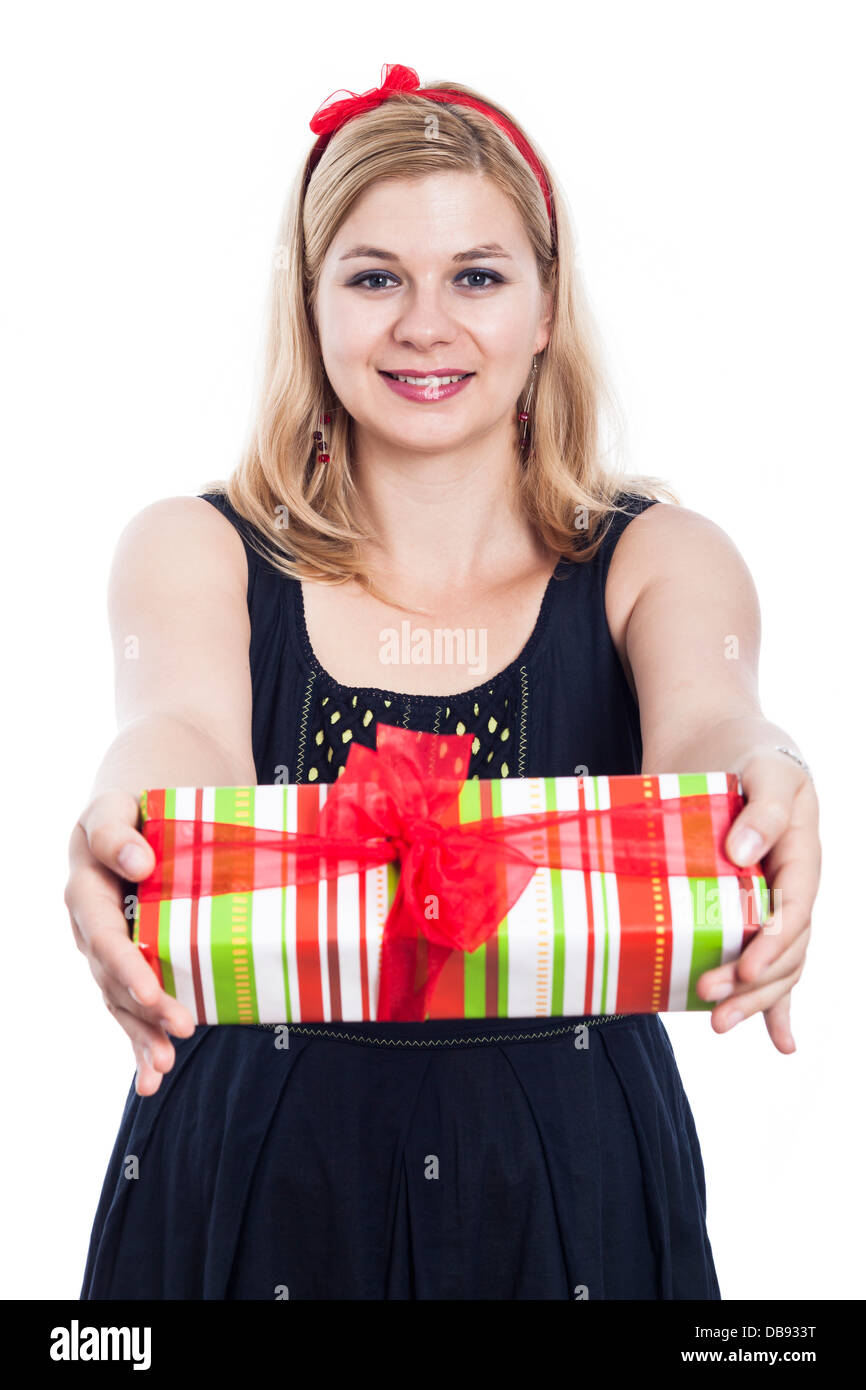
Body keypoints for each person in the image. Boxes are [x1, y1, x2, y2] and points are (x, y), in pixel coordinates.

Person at [68, 64, 820, 1300]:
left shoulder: (655, 557)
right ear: (310, 308)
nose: (426, 324)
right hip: (255, 1170)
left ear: (543, 306)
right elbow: (178, 736)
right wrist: (121, 816)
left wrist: (767, 772)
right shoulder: (193, 546)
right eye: (374, 278)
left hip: (565, 1178)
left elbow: (712, 719)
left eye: (476, 275)